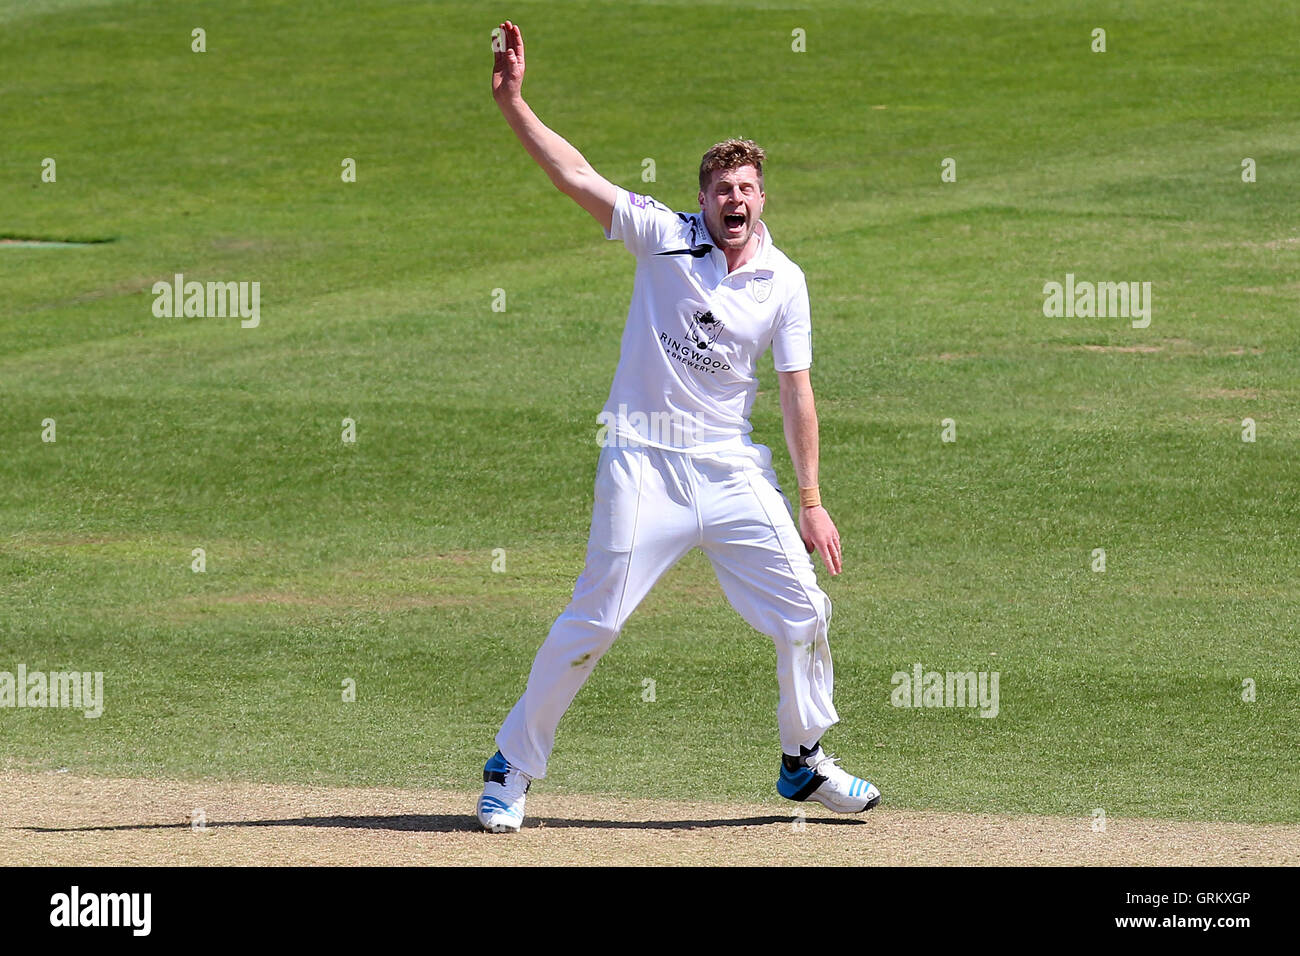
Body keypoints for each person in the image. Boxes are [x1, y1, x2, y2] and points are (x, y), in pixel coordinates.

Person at [477, 20, 880, 832]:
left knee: (806, 610)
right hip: (643, 464)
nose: (734, 200)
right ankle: (511, 765)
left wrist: (810, 499)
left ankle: (802, 761)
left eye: (747, 189)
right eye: (721, 189)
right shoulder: (662, 236)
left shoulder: (783, 280)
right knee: (596, 620)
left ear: (763, 199)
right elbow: (576, 175)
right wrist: (514, 102)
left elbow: (797, 391)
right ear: (703, 200)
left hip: (732, 470)